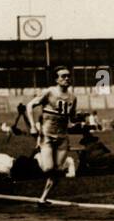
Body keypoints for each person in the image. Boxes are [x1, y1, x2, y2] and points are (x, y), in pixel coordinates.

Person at [27, 67, 78, 203]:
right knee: (48, 168)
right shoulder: (49, 92)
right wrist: (32, 126)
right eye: (63, 76)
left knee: (58, 170)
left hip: (62, 137)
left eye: (68, 76)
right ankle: (39, 155)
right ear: (57, 79)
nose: (67, 79)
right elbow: (29, 105)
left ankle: (43, 198)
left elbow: (72, 118)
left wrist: (78, 120)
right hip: (47, 135)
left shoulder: (73, 97)